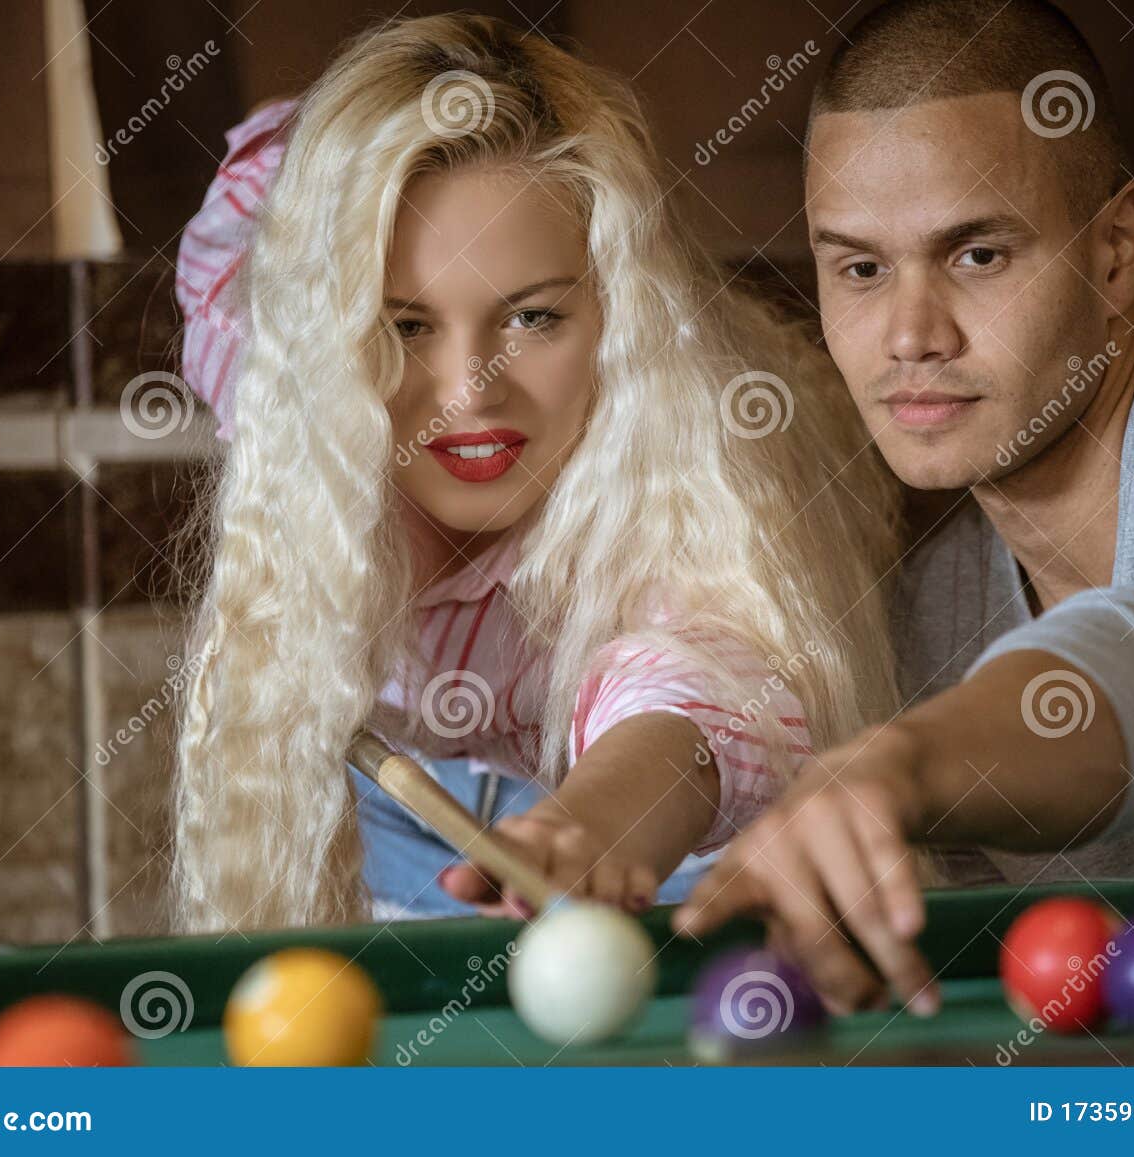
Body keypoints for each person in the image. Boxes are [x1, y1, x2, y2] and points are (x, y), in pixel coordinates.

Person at [677, 0, 1134, 1015]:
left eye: (977, 254)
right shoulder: (919, 619)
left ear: (1114, 252)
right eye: (859, 267)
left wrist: (903, 762)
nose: (909, 334)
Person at [169, 14, 905, 932]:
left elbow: (706, 687)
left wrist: (595, 819)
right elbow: (252, 189)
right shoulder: (270, 350)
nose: (468, 394)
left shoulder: (674, 500)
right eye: (407, 325)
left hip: (609, 812)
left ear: (619, 318)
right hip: (388, 792)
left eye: (533, 319)